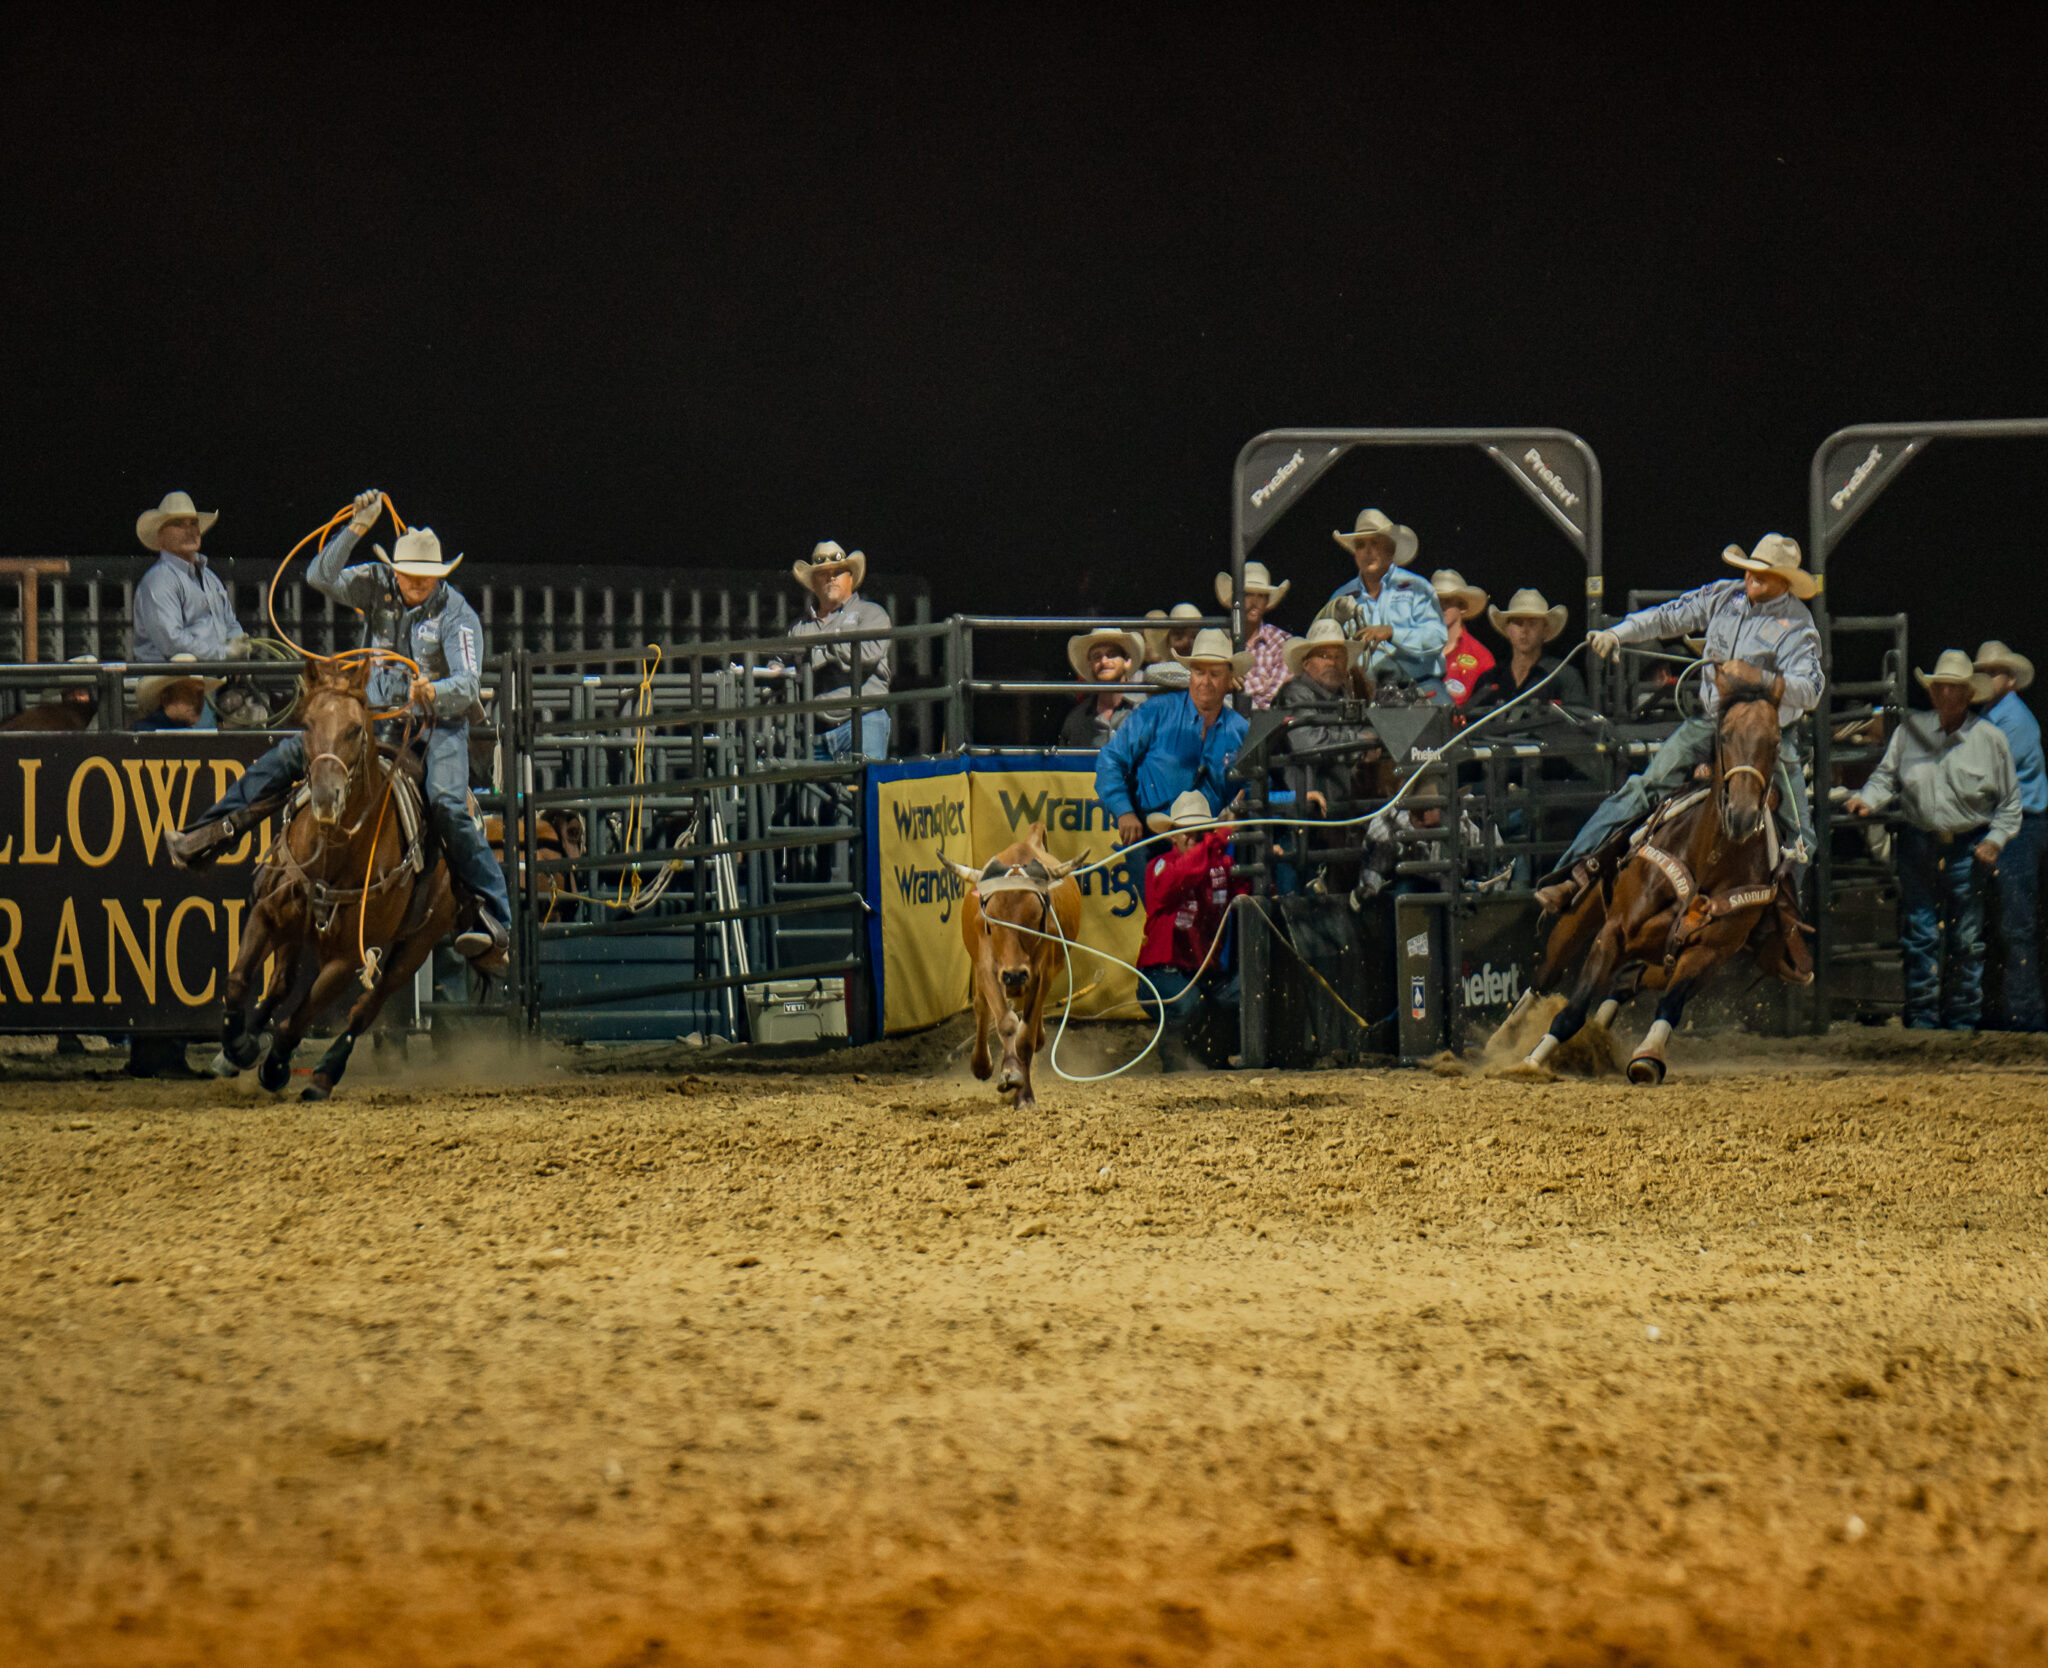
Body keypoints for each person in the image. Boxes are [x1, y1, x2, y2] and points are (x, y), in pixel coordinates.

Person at [167, 489, 512, 972]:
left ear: (439, 577)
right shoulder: (377, 584)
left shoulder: (457, 616)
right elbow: (319, 576)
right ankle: (212, 832)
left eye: (424, 576)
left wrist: (432, 692)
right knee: (292, 755)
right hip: (373, 717)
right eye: (408, 573)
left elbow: (468, 683)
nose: (415, 582)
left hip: (437, 726)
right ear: (395, 570)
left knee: (448, 803)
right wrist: (355, 529)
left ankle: (493, 917)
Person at [1538, 535, 1823, 969]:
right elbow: (1669, 615)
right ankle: (1574, 876)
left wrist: (1761, 679)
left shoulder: (1798, 626)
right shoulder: (1724, 596)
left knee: (1802, 839)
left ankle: (1775, 928)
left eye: (1763, 575)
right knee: (1644, 787)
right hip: (1712, 723)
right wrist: (1618, 633)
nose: (1751, 578)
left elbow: (1812, 689)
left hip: (1766, 737)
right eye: (1751, 570)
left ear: (1784, 582)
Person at [1846, 650, 2023, 1031]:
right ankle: (1922, 1021)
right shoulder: (1910, 731)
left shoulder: (1990, 739)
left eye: (1953, 688)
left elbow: (2010, 805)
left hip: (1967, 845)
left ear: (1968, 694)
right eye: (1940, 687)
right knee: (1920, 931)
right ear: (1932, 692)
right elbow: (1885, 777)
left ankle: (1961, 1021)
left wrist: (1995, 840)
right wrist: (1868, 799)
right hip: (1919, 841)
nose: (1945, 694)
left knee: (1966, 937)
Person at [1096, 629, 1252, 908]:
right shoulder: (1156, 711)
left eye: (1215, 674)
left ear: (1229, 680)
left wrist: (1292, 797)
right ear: (1190, 674)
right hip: (1151, 836)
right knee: (1165, 916)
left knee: (1201, 923)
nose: (1205, 681)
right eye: (1199, 672)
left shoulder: (1239, 729)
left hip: (1205, 842)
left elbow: (1253, 787)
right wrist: (1124, 811)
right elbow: (1110, 758)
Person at [1136, 790, 1247, 1071]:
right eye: (1187, 832)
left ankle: (1212, 1057)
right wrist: (1220, 836)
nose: (1193, 838)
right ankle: (1174, 1061)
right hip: (1162, 974)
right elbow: (1184, 873)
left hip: (1204, 972)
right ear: (1172, 836)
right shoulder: (1160, 868)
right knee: (1188, 1004)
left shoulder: (1223, 867)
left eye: (1200, 831)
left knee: (1243, 995)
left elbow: (1248, 892)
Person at [1973, 640, 2046, 1031]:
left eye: (1993, 672)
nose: (1986, 678)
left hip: (2019, 828)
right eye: (1982, 673)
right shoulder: (1997, 716)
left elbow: (1989, 778)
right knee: (2007, 923)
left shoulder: (2011, 721)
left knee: (2016, 924)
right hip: (2013, 825)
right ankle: (2013, 1010)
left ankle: (2025, 1015)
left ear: (2010, 679)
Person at [1317, 509, 1448, 699]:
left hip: (1421, 689)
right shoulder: (1341, 597)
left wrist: (1392, 632)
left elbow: (1437, 637)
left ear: (1390, 550)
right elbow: (1322, 644)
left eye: (1375, 543)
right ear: (1355, 554)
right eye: (1361, 545)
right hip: (1363, 695)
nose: (1368, 551)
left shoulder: (1417, 588)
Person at [786, 541, 891, 760]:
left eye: (838, 572)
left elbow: (868, 654)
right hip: (814, 732)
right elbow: (781, 661)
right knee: (811, 783)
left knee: (865, 780)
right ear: (813, 583)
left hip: (863, 720)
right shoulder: (799, 627)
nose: (831, 577)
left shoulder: (871, 614)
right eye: (823, 574)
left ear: (850, 578)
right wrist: (775, 669)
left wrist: (822, 651)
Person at [131, 490, 250, 664]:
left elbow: (230, 623)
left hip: (210, 674)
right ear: (161, 535)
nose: (189, 530)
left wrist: (238, 644)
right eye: (179, 525)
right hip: (171, 678)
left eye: (193, 523)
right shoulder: (159, 580)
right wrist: (226, 652)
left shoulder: (210, 578)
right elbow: (172, 644)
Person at [1272, 619, 1374, 815]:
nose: (1332, 662)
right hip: (1300, 810)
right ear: (1306, 663)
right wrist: (1361, 746)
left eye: (1338, 656)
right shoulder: (1294, 694)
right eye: (1324, 655)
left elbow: (1367, 729)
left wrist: (1366, 742)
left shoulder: (1344, 696)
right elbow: (1308, 744)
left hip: (1335, 807)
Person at [1468, 589, 1588, 714]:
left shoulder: (1564, 676)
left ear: (1545, 630)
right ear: (1508, 630)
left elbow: (1580, 721)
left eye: (1532, 623)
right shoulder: (1489, 680)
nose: (1524, 630)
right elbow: (1471, 722)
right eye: (1518, 623)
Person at [1216, 560, 1293, 709]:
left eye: (1261, 595)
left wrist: (1230, 684)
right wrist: (1261, 682)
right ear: (1236, 599)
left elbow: (1274, 698)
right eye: (1248, 594)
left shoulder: (1281, 641)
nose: (1254, 601)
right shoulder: (1219, 639)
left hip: (1263, 721)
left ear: (1267, 601)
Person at [1057, 628, 1147, 749]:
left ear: (1127, 661)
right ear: (1090, 665)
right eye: (1097, 656)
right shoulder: (1077, 719)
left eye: (1111, 655)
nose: (1104, 661)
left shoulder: (1146, 709)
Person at [1432, 570, 1493, 706]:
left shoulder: (1481, 658)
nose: (1441, 607)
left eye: (1448, 601)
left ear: (1462, 607)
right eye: (1436, 601)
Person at [133, 655, 221, 731]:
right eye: (188, 693)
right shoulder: (145, 732)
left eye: (200, 694)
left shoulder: (191, 732)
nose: (197, 701)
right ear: (166, 699)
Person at [1141, 603, 1203, 690]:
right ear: (1168, 642)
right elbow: (1150, 673)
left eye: (1194, 637)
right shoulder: (1159, 671)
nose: (1186, 642)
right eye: (1179, 636)